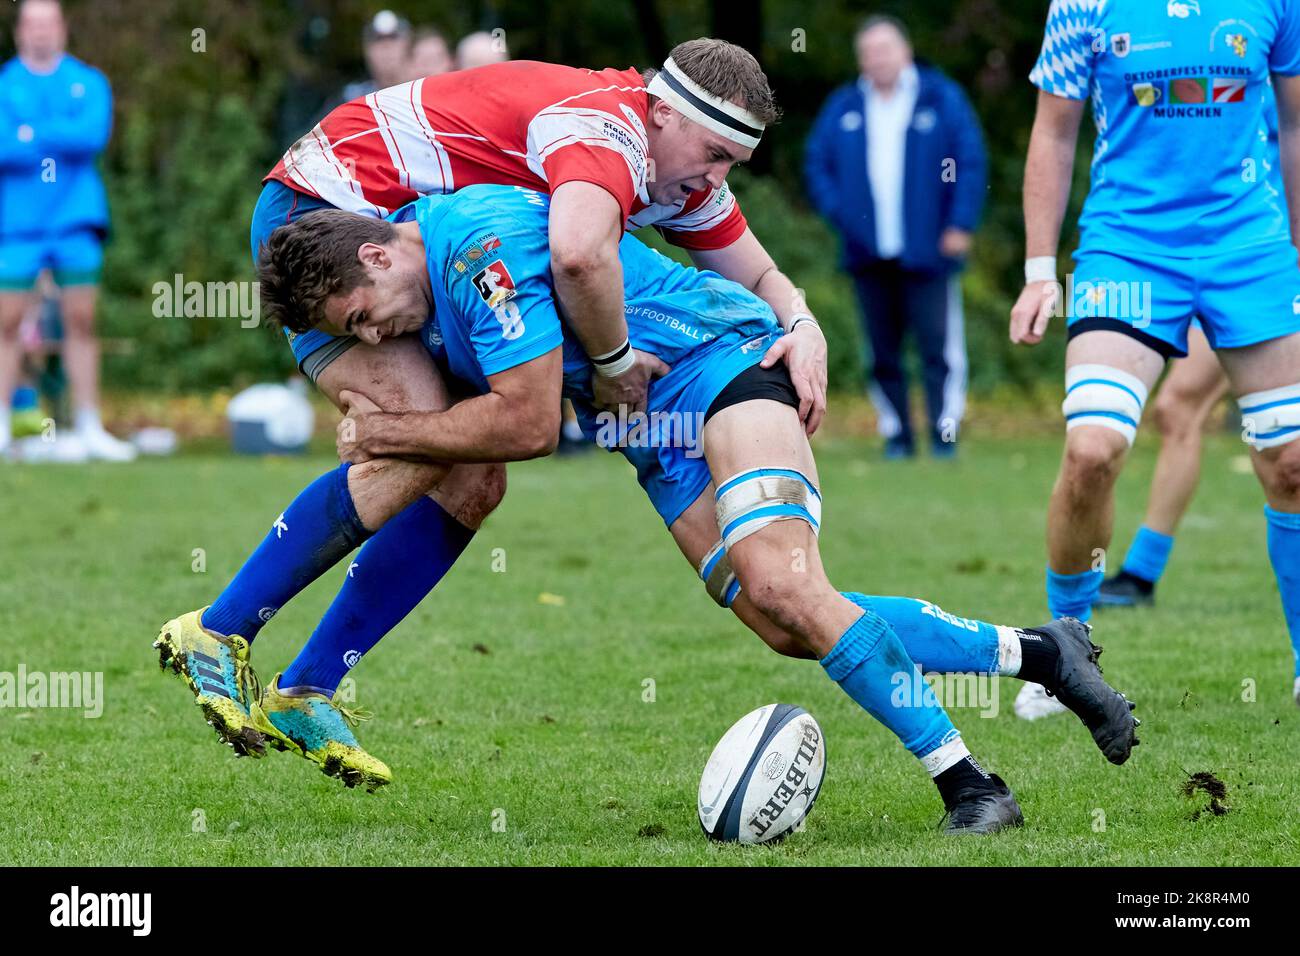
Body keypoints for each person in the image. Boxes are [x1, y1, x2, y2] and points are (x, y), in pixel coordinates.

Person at [163, 184, 1139, 835]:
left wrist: (386, 437)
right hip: (649, 434)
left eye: (360, 318)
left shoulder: (476, 250)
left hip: (717, 364)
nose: (372, 338)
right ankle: (1041, 652)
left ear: (379, 256)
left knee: (786, 582)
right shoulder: (431, 283)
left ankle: (970, 784)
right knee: (779, 619)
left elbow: (526, 424)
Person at [155, 40, 828, 768]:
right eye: (716, 152)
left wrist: (801, 322)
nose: (718, 174)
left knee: (475, 475)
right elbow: (578, 254)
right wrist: (613, 364)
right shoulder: (611, 132)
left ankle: (308, 686)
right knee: (417, 440)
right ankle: (217, 631)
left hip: (389, 225)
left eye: (734, 160)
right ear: (669, 114)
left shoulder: (679, 169)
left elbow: (756, 269)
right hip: (328, 208)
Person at [1010, 0, 1300, 718]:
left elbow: (1294, 124)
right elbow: (1052, 133)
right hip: (1128, 247)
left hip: (1250, 249)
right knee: (1092, 452)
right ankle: (1064, 657)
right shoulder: (1082, 5)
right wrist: (1040, 268)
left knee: (1291, 461)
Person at [804, 14, 986, 458]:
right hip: (867, 252)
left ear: (904, 51)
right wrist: (842, 215)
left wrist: (959, 223)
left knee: (938, 350)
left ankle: (944, 433)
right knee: (882, 352)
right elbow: (817, 163)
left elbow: (969, 160)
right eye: (867, 52)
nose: (876, 59)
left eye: (884, 49)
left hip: (930, 249)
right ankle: (897, 433)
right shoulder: (845, 107)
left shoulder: (940, 99)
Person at [0, 0, 132, 460]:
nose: (40, 32)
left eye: (48, 23)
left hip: (75, 220)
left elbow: (90, 138)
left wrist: (29, 132)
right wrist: (54, 133)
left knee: (82, 321)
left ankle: (89, 424)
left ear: (62, 29)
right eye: (32, 23)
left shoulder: (88, 81)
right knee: (8, 322)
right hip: (17, 224)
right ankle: (2, 425)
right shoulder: (5, 83)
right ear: (19, 31)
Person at [1096, 326, 1230, 608]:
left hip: (1272, 287)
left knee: (1281, 438)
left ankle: (1141, 574)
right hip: (1213, 283)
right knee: (1177, 408)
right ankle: (1141, 574)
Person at [339, 10, 412, 103]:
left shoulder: (423, 94)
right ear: (367, 51)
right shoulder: (351, 99)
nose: (386, 46)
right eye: (378, 39)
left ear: (408, 46)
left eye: (393, 38)